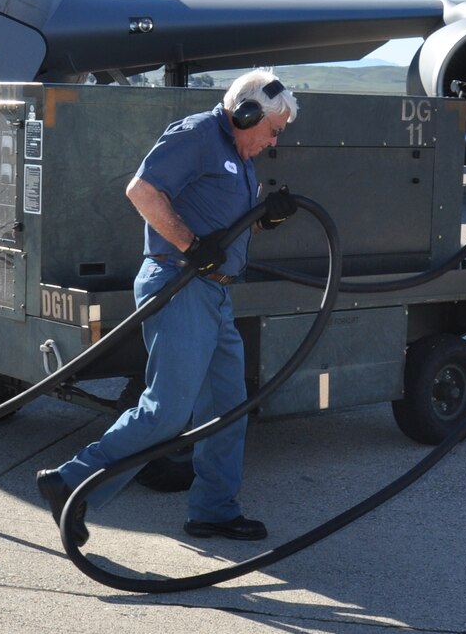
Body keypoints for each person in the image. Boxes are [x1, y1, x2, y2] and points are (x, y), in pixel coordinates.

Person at [36, 70, 300, 547]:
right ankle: (71, 482)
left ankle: (214, 512)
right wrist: (189, 243)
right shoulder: (197, 135)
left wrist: (265, 219)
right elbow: (142, 190)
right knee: (167, 412)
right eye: (273, 130)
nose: (274, 140)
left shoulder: (239, 157)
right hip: (180, 286)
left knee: (227, 407)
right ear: (246, 113)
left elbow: (222, 230)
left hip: (215, 293)